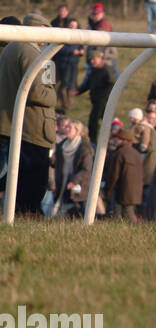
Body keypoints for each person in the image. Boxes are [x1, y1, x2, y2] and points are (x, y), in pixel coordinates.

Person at [0, 13, 59, 216]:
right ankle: (28, 217)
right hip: (32, 126)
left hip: (15, 124)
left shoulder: (10, 49)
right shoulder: (32, 52)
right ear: (40, 28)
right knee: (33, 184)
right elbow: (37, 92)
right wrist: (54, 95)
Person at [50, 117, 94, 217]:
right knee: (62, 210)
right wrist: (51, 159)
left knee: (79, 212)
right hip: (62, 183)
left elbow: (86, 169)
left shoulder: (84, 147)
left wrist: (74, 181)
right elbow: (55, 163)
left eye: (70, 127)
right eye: (66, 127)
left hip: (79, 186)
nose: (67, 129)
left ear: (77, 131)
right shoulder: (61, 146)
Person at [76, 49, 113, 142]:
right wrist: (78, 91)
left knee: (94, 122)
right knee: (101, 120)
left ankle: (94, 142)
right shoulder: (94, 69)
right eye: (91, 60)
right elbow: (88, 83)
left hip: (102, 101)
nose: (92, 61)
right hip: (96, 100)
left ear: (100, 58)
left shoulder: (106, 70)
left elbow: (111, 85)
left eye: (94, 59)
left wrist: (103, 97)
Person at [53, 17, 83, 110]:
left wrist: (81, 52)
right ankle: (64, 103)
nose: (73, 27)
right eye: (71, 25)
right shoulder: (63, 35)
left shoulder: (79, 37)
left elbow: (80, 46)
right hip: (64, 63)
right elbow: (59, 49)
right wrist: (72, 51)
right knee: (64, 82)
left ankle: (70, 104)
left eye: (75, 26)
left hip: (74, 63)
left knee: (72, 83)